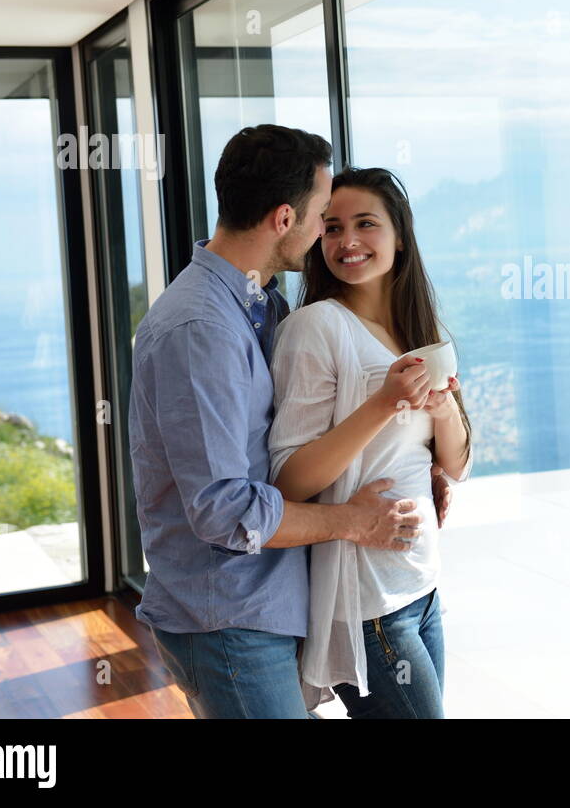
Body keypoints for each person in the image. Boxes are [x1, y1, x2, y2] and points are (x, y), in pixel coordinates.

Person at [129, 125, 429, 719]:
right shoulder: (202, 330)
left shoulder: (262, 305)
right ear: (286, 218)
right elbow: (224, 510)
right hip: (225, 619)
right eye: (324, 215)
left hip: (265, 604)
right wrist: (352, 522)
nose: (327, 233)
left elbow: (284, 440)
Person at [268, 165, 472, 718]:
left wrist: (444, 406)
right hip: (370, 600)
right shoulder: (316, 327)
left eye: (365, 224)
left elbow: (456, 466)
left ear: (399, 236)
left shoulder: (416, 328)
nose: (348, 241)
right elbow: (289, 479)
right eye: (331, 227)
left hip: (422, 585)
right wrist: (383, 403)